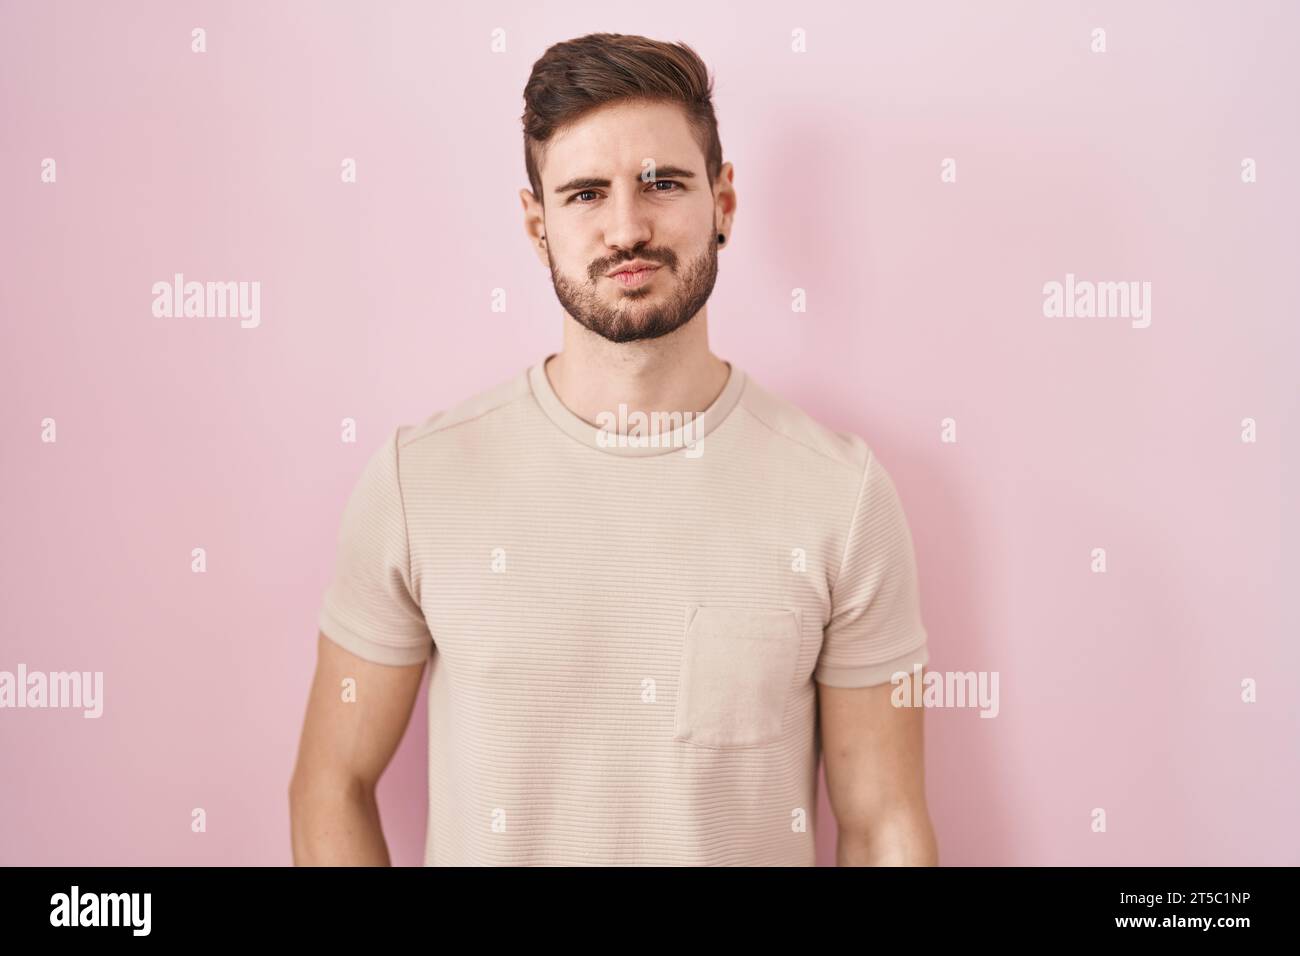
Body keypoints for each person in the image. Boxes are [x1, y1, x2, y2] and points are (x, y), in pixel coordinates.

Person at [289, 32, 937, 866]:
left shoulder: (841, 498)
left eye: (662, 183)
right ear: (537, 225)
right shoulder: (420, 482)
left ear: (724, 203)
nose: (626, 227)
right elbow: (330, 781)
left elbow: (884, 821)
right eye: (586, 194)